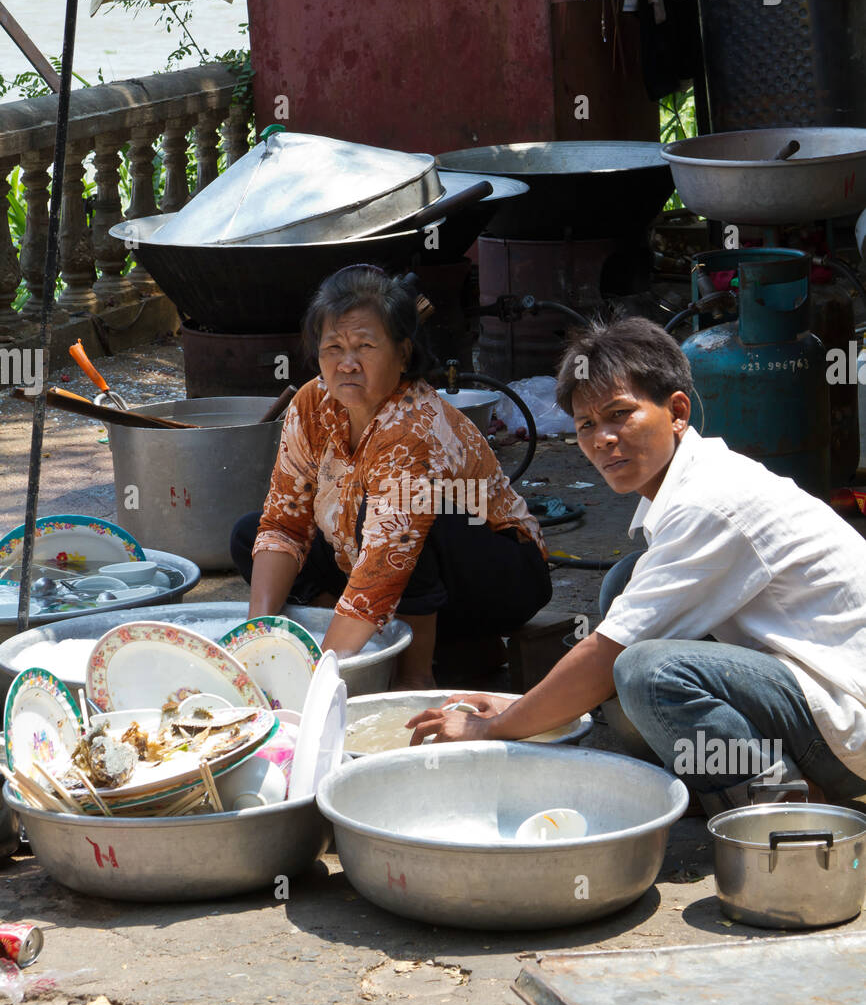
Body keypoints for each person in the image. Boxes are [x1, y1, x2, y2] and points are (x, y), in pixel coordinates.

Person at [409, 316, 866, 813]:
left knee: (646, 670)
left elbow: (609, 655)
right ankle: (707, 777)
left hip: (847, 724)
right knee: (626, 581)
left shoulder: (709, 502)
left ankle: (785, 807)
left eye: (619, 414)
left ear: (677, 412)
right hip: (805, 682)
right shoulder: (689, 483)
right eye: (586, 425)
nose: (602, 439)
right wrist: (517, 708)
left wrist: (493, 727)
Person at [230, 265, 552, 689]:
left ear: (403, 354)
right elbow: (284, 522)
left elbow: (386, 563)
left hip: (497, 579)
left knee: (415, 519)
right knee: (250, 533)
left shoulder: (412, 426)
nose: (347, 364)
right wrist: (254, 643)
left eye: (365, 346)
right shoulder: (311, 404)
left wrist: (313, 684)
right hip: (371, 560)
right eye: (333, 348)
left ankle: (414, 676)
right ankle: (376, 643)